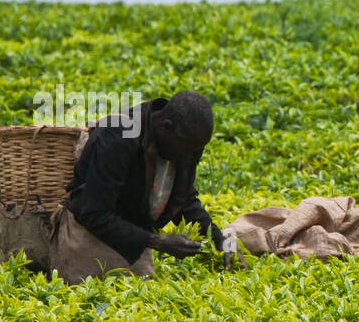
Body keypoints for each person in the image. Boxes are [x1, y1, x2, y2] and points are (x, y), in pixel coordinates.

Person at [49, 91, 242, 284]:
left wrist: (220, 240)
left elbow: (184, 200)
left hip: (135, 234)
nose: (189, 157)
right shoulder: (118, 137)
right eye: (188, 150)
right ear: (167, 127)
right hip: (92, 234)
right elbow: (94, 213)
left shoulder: (184, 143)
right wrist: (158, 242)